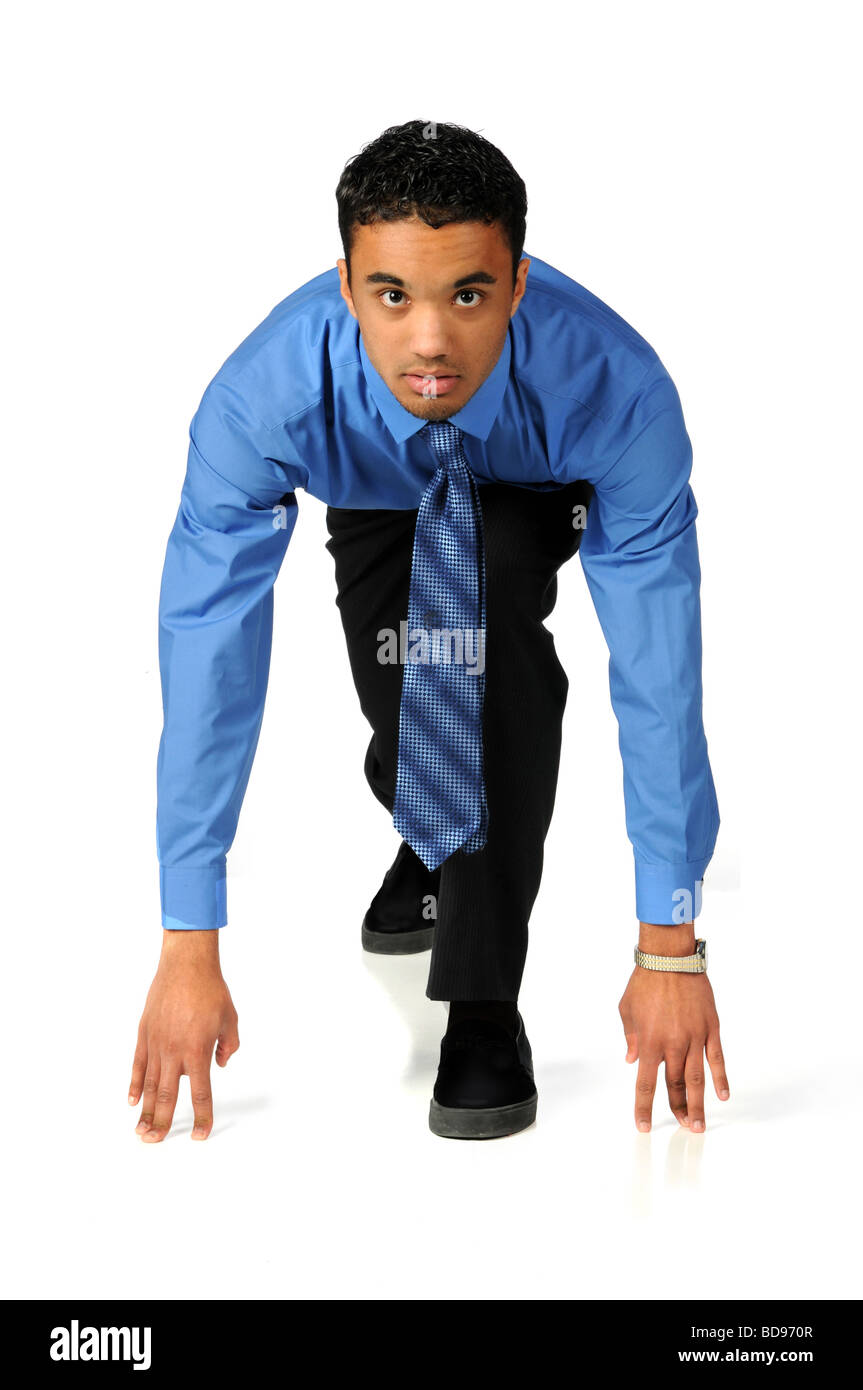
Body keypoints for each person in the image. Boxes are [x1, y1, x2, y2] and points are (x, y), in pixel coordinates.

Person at [129, 119, 730, 1144]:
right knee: (404, 690)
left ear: (517, 282)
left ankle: (483, 1006)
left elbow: (658, 666)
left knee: (488, 645)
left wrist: (666, 944)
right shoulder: (262, 397)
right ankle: (427, 832)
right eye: (390, 296)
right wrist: (189, 938)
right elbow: (208, 651)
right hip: (375, 489)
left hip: (531, 487)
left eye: (467, 294)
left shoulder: (616, 392)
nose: (430, 342)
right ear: (347, 284)